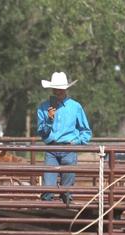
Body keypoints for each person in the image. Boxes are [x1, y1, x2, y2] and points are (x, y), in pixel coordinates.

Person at [36, 72, 92, 206]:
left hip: (69, 148)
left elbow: (86, 131)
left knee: (67, 190)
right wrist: (49, 120)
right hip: (51, 147)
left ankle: (66, 210)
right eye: (55, 89)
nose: (58, 92)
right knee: (48, 188)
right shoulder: (43, 108)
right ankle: (47, 210)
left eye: (60, 89)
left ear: (65, 89)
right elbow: (41, 132)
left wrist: (76, 142)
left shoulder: (75, 107)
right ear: (52, 89)